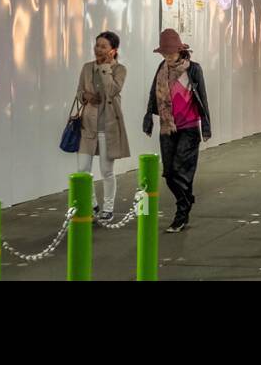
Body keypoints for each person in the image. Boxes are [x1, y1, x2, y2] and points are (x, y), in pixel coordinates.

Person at [145, 28, 212, 233]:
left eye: (170, 52)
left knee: (181, 171)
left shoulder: (192, 69)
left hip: (189, 128)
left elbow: (202, 97)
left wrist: (206, 127)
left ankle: (181, 214)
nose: (167, 56)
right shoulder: (161, 68)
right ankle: (187, 199)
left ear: (180, 50)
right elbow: (153, 94)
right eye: (164, 53)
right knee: (169, 173)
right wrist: (149, 118)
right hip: (167, 127)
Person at [75, 32, 130, 222]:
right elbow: (79, 92)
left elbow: (113, 90)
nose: (98, 49)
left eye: (103, 46)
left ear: (113, 50)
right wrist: (86, 96)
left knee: (106, 170)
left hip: (108, 126)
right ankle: (92, 205)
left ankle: (108, 208)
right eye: (97, 45)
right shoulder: (87, 68)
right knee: (83, 169)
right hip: (88, 125)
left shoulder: (119, 69)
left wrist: (106, 67)